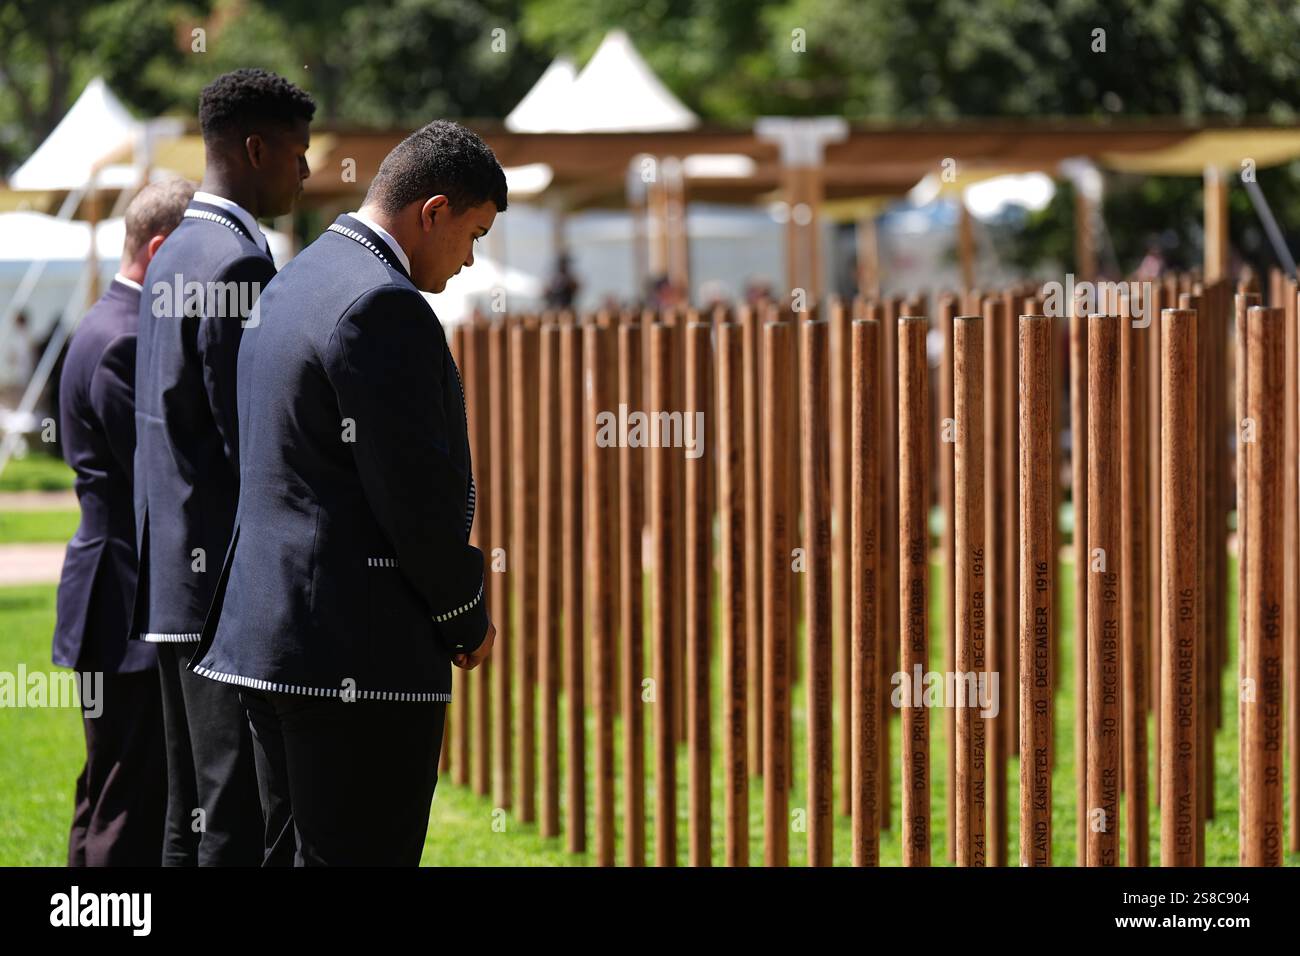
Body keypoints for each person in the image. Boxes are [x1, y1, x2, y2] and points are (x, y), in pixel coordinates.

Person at [190, 119, 501, 866]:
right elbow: (413, 499)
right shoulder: (381, 305)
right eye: (474, 234)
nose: (470, 260)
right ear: (433, 212)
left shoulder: (295, 278)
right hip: (349, 657)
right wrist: (465, 615)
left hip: (271, 640)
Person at [131, 68, 314, 866]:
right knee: (234, 815)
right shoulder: (238, 260)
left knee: (190, 814)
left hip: (171, 573)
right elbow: (253, 440)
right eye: (298, 152)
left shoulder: (172, 251)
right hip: (222, 590)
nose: (306, 171)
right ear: (255, 147)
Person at [55, 178, 195, 866]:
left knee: (110, 791)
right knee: (129, 802)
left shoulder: (111, 324)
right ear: (162, 250)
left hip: (115, 603)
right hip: (124, 606)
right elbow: (158, 475)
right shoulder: (125, 339)